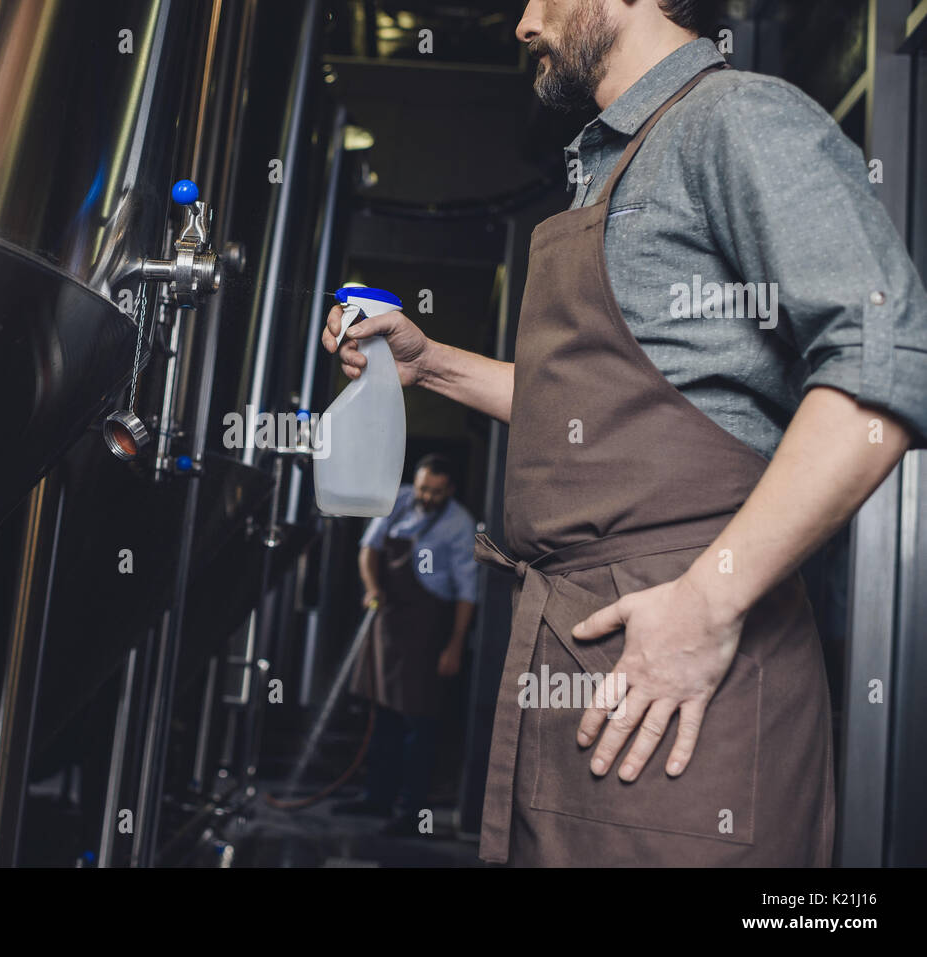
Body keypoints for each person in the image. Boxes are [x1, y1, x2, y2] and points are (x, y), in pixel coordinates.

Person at [323, 0, 927, 866]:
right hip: (582, 656)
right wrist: (434, 366)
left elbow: (887, 363)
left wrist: (707, 604)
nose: (524, 23)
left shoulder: (734, 118)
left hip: (681, 683)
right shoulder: (609, 167)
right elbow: (601, 411)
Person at [334, 454, 478, 836]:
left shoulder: (459, 526)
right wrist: (372, 588)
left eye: (435, 491)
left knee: (419, 721)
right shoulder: (396, 501)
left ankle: (411, 811)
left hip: (428, 625)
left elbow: (467, 593)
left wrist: (455, 645)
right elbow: (369, 548)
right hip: (389, 618)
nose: (426, 496)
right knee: (383, 713)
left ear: (450, 489)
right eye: (422, 488)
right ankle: (375, 797)